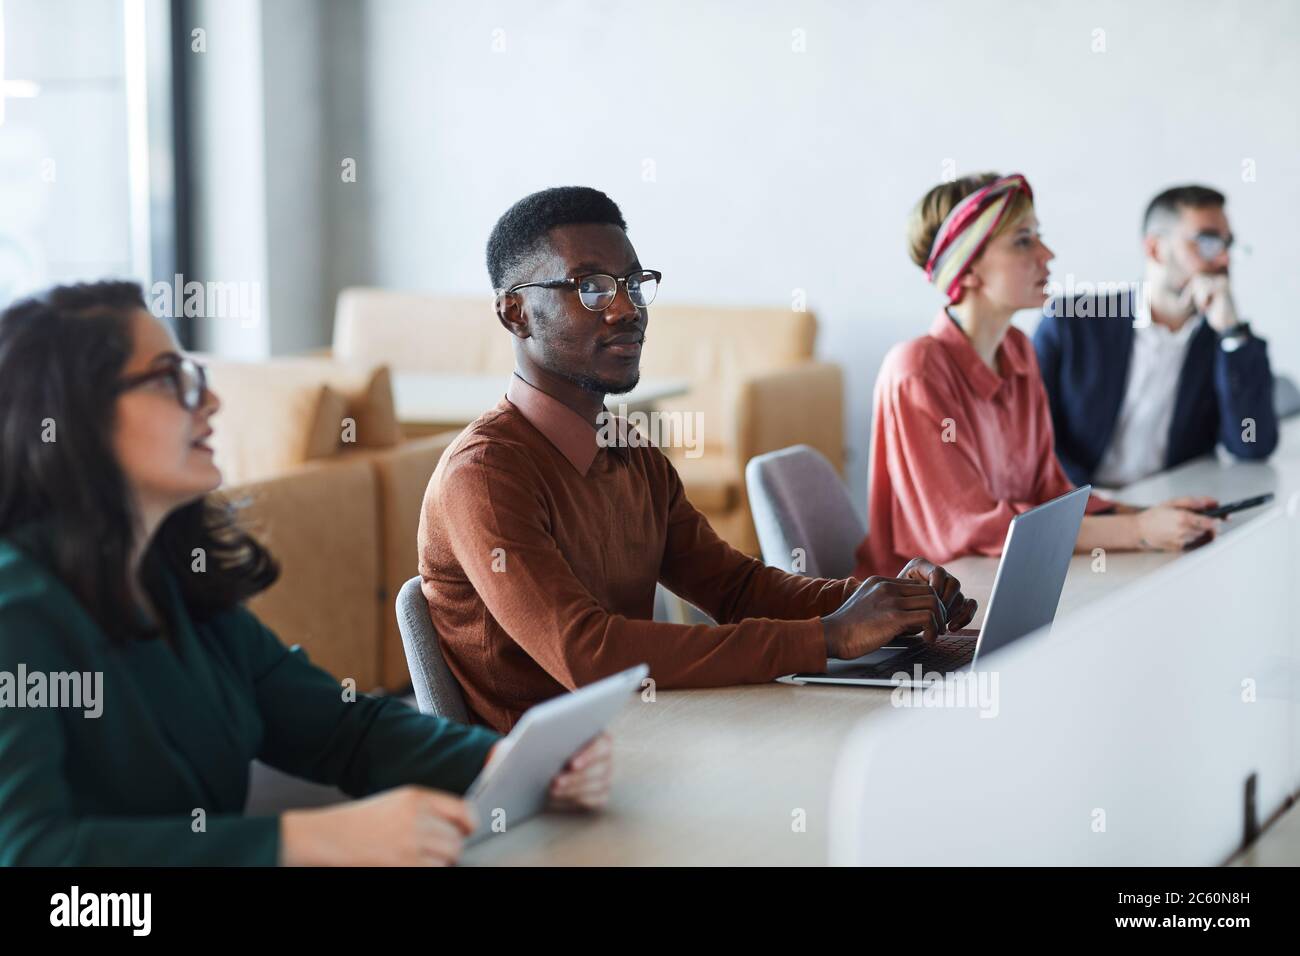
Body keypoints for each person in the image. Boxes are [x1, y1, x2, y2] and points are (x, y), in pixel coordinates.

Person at [0, 281, 611, 866]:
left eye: (197, 376)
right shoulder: (17, 611)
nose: (209, 401)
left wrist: (508, 763)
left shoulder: (173, 582)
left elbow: (341, 728)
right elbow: (31, 853)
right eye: (171, 379)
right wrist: (303, 843)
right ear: (69, 414)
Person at [418, 186, 978, 732]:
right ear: (515, 312)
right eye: (591, 287)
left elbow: (736, 589)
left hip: (646, 738)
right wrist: (827, 637)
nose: (626, 309)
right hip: (550, 794)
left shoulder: (628, 448)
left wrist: (880, 602)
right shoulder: (485, 475)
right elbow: (587, 653)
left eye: (634, 284)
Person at [852, 173, 1222, 581]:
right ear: (969, 267)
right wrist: (1136, 531)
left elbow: (1049, 491)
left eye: (1038, 236)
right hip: (931, 613)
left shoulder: (1018, 351)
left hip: (1012, 579)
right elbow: (970, 530)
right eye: (1023, 241)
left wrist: (1149, 515)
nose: (1047, 254)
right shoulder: (916, 370)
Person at [1034, 184, 1278, 488]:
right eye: (1207, 242)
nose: (1224, 259)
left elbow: (1252, 445)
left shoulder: (1225, 342)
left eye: (1227, 244)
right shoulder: (1072, 321)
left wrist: (1231, 333)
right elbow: (1032, 438)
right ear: (1154, 249)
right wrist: (1094, 505)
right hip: (1084, 507)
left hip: (1173, 504)